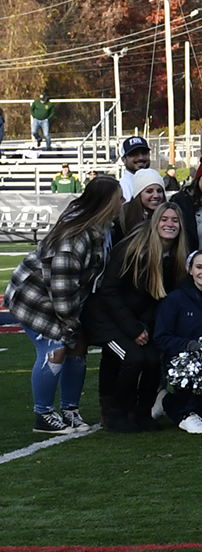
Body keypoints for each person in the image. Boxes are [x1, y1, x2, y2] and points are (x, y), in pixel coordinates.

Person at [5, 176, 122, 433]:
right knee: (54, 349)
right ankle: (43, 414)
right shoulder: (76, 237)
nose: (122, 202)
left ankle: (70, 410)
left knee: (78, 346)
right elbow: (62, 283)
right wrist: (69, 321)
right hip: (36, 297)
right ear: (104, 203)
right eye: (118, 198)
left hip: (60, 296)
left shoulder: (100, 228)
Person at [83, 202, 190, 432]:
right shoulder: (133, 248)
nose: (169, 224)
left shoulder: (175, 256)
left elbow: (159, 298)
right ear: (154, 222)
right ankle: (116, 414)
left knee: (152, 359)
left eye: (175, 220)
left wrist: (144, 326)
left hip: (136, 320)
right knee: (133, 358)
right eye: (164, 219)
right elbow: (109, 291)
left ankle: (143, 413)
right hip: (105, 318)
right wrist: (133, 329)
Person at [151, 250, 202, 434]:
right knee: (193, 413)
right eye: (199, 267)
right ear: (190, 270)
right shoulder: (175, 299)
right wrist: (188, 346)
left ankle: (165, 401)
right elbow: (161, 337)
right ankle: (178, 410)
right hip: (180, 361)